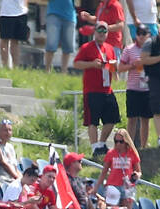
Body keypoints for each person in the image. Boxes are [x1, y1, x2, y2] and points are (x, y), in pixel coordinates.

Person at [74, 22, 120, 156]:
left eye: (104, 31)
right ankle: (94, 147)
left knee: (112, 118)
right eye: (99, 31)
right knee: (92, 120)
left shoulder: (110, 48)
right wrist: (92, 64)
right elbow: (76, 63)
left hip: (107, 89)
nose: (102, 33)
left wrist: (114, 69)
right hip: (92, 89)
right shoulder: (87, 47)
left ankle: (101, 143)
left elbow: (113, 65)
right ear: (95, 32)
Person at [120, 26, 150, 148]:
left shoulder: (152, 49)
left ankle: (143, 147)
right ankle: (129, 146)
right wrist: (133, 65)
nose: (141, 36)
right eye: (139, 33)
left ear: (148, 35)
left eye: (144, 33)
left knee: (145, 119)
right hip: (133, 88)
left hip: (147, 88)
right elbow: (120, 68)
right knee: (132, 119)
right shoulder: (129, 49)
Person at [43, 0, 74, 72]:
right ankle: (47, 71)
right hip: (53, 13)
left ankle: (64, 72)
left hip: (69, 15)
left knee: (68, 46)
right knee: (51, 43)